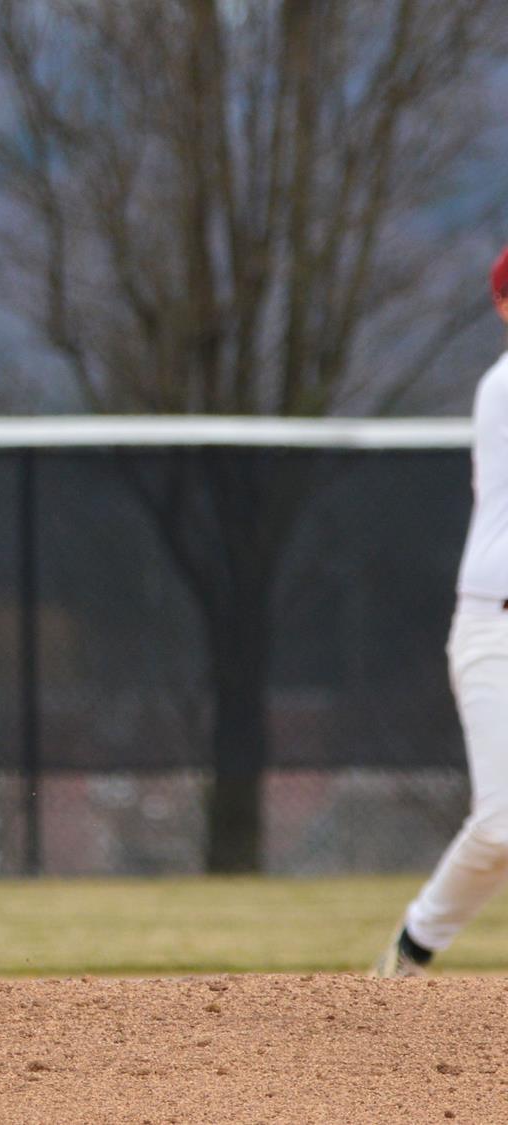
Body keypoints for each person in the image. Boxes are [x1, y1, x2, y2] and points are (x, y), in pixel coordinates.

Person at [372, 246, 508, 978]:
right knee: (501, 826)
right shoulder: (501, 386)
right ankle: (412, 948)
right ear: (503, 306)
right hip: (496, 627)